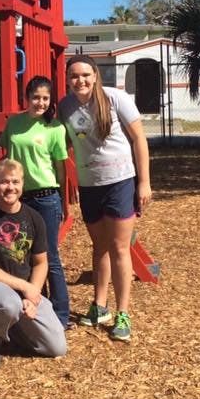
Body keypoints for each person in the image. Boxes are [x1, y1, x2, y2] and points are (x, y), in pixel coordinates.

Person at [57, 55, 152, 342]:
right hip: (90, 184)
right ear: (67, 79)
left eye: (85, 75)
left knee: (119, 248)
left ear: (95, 75)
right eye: (74, 76)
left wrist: (144, 182)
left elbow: (139, 139)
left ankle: (123, 312)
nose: (80, 81)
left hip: (120, 181)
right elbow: (61, 142)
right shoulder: (65, 106)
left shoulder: (115, 98)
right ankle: (100, 306)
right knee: (99, 247)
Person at [0, 159, 68, 369]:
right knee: (9, 304)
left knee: (57, 348)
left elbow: (41, 263)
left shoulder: (34, 218)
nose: (10, 187)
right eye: (4, 182)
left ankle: (9, 327)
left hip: (25, 291)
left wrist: (32, 295)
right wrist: (24, 286)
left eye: (15, 182)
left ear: (22, 184)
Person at [1, 75, 72, 330]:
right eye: (35, 97)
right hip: (20, 198)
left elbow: (60, 168)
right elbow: (6, 156)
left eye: (45, 98)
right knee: (22, 254)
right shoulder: (14, 123)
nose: (40, 103)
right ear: (27, 98)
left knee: (49, 255)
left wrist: (63, 201)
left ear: (51, 101)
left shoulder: (55, 128)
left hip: (46, 197)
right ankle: (33, 307)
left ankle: (61, 314)